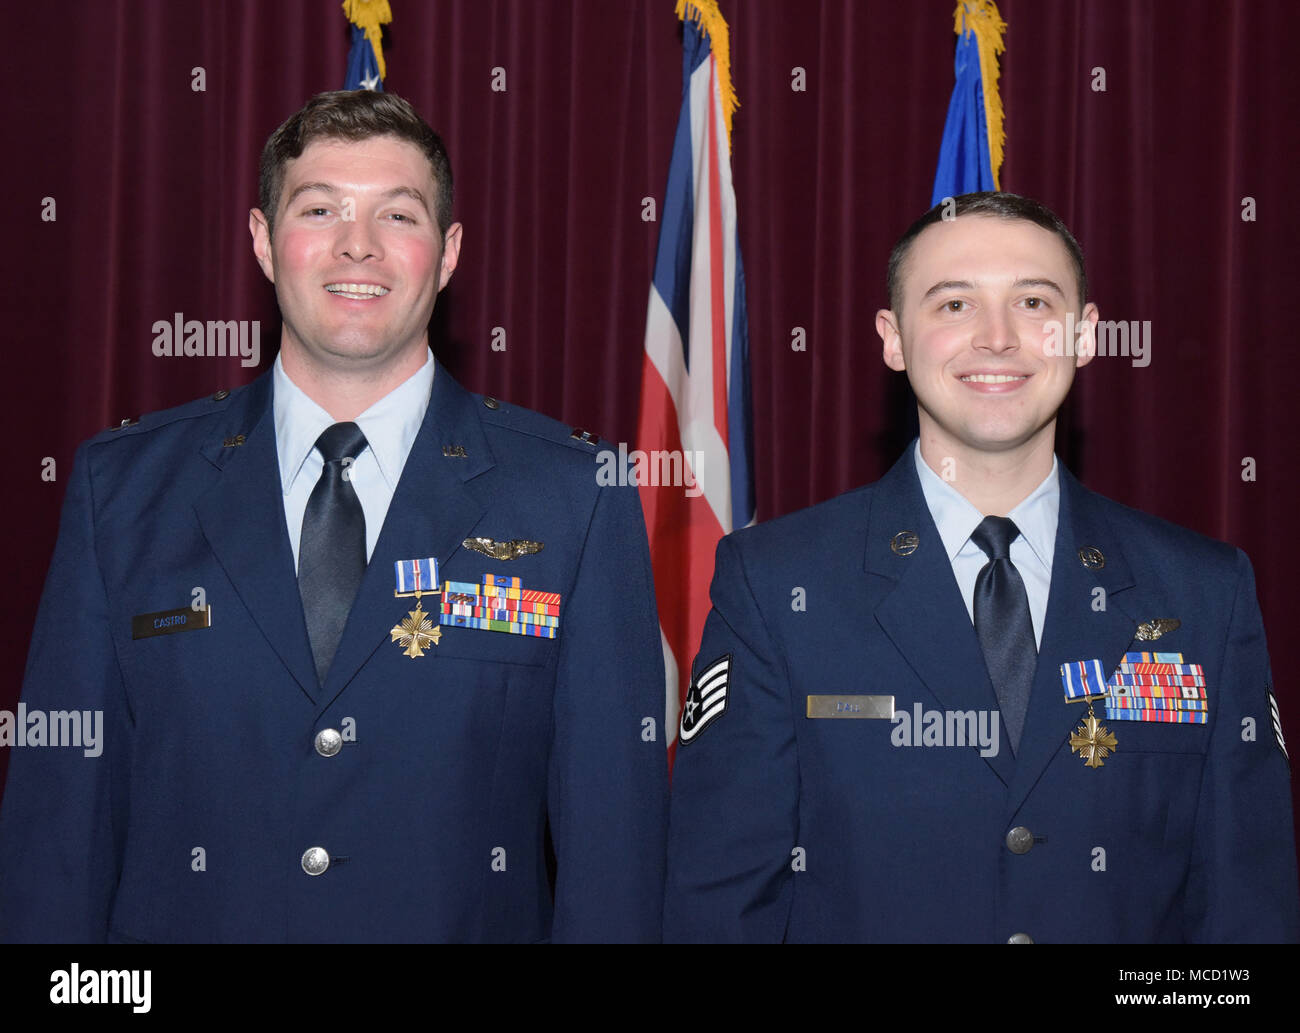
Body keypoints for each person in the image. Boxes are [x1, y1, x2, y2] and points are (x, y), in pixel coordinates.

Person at [0, 90, 667, 943]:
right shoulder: (121, 491)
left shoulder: (572, 497)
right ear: (262, 242)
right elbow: (59, 847)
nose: (360, 243)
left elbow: (617, 859)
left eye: (398, 213)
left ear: (450, 252)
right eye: (320, 209)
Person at [663, 191, 1299, 943]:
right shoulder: (776, 585)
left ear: (1085, 334)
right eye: (954, 304)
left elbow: (1243, 916)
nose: (998, 339)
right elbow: (720, 909)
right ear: (893, 338)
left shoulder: (1204, 593)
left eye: (1033, 301)